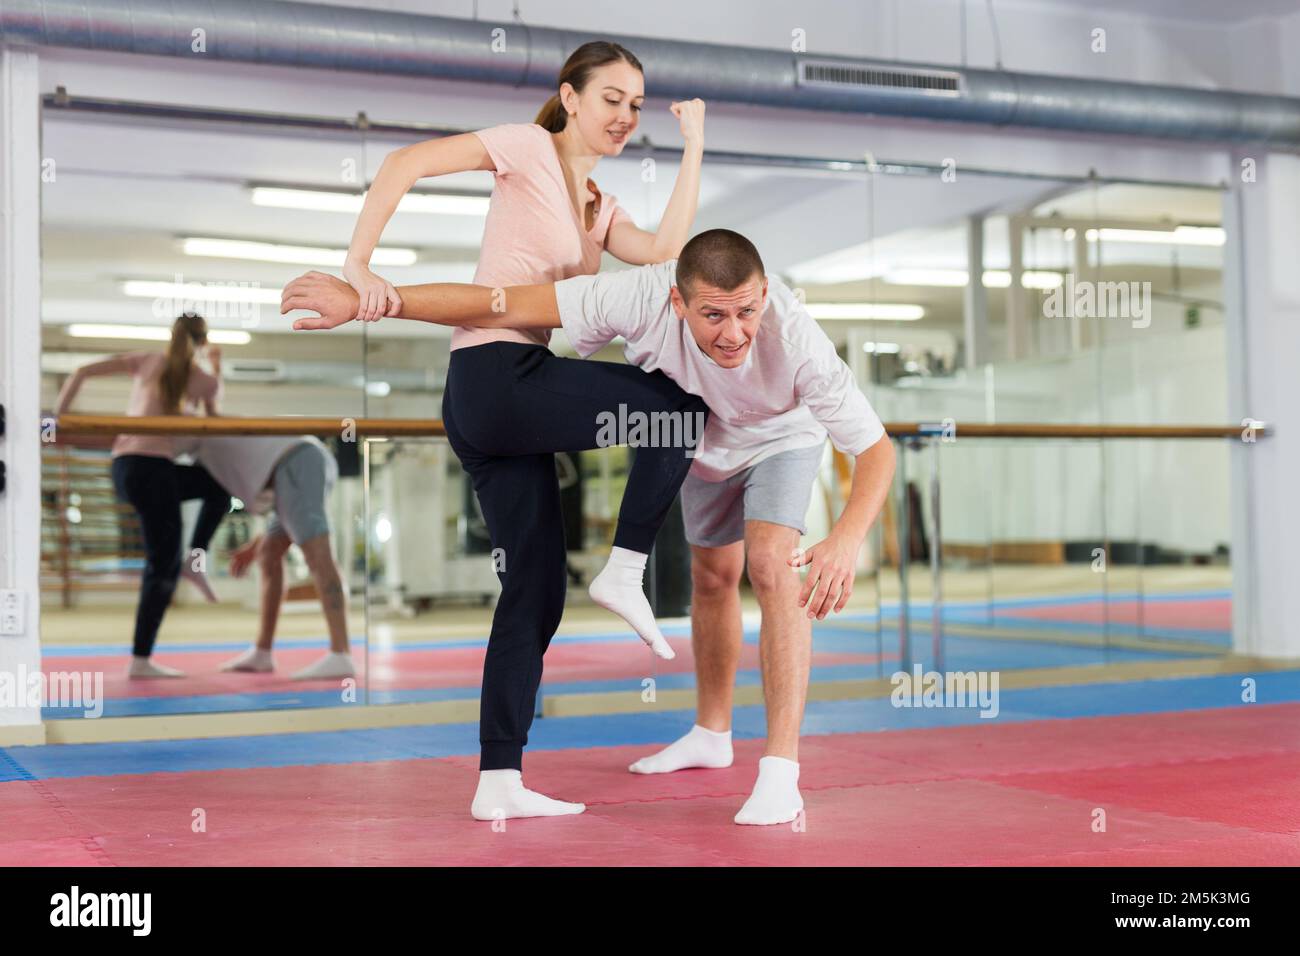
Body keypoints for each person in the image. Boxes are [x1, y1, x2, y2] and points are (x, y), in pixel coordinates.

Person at [280, 228, 897, 826]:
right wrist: (368, 302)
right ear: (676, 300)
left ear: (765, 294)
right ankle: (711, 733)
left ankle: (781, 771)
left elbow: (876, 450)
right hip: (699, 439)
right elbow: (502, 303)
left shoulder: (796, 337)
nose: (735, 334)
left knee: (769, 565)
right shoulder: (634, 294)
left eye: (748, 312)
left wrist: (845, 539)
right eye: (714, 316)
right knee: (711, 577)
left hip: (778, 438)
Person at [332, 39, 709, 820]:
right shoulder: (527, 147)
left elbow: (668, 254)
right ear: (569, 97)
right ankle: (626, 569)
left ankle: (498, 776)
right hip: (500, 379)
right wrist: (359, 268)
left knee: (534, 593)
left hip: (495, 405)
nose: (626, 117)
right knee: (675, 411)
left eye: (637, 105)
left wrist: (696, 144)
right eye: (612, 99)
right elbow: (403, 161)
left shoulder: (599, 206)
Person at [53, 312, 231, 679]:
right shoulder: (201, 379)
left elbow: (82, 371)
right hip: (153, 470)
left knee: (215, 488)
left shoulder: (148, 359)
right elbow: (215, 421)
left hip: (124, 468)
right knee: (162, 562)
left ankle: (192, 564)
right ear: (202, 342)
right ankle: (141, 657)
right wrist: (216, 369)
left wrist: (59, 416)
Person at [180, 434, 352, 681]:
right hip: (289, 471)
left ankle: (341, 654)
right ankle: (263, 652)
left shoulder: (200, 441)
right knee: (269, 554)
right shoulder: (214, 455)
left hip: (296, 461)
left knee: (318, 553)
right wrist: (256, 543)